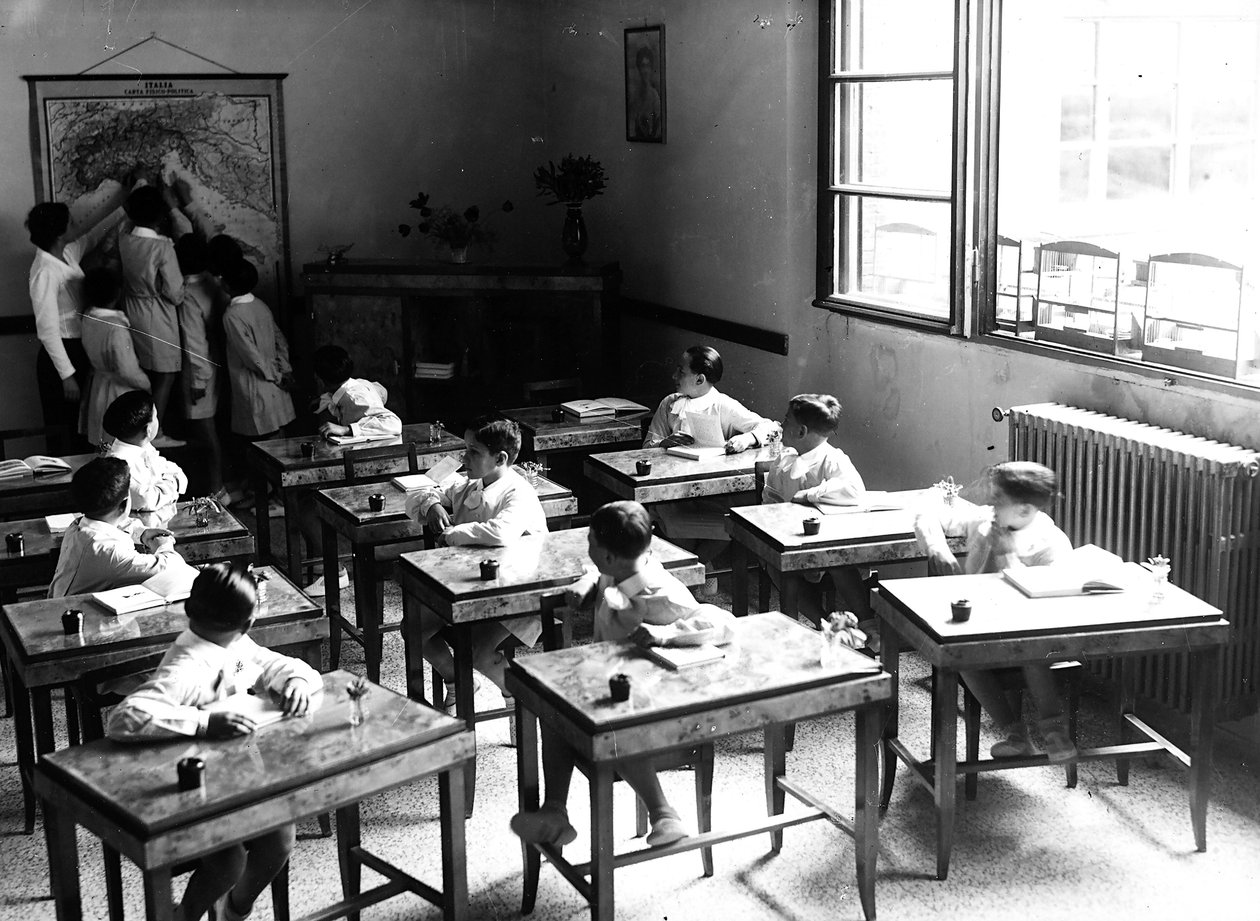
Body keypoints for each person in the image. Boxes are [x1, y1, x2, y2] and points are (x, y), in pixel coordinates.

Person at [510, 500, 735, 848]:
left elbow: (723, 625)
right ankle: (555, 811)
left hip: (662, 706)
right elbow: (601, 571)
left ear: (610, 555)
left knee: (610, 721)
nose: (587, 547)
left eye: (590, 542)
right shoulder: (628, 565)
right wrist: (588, 582)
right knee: (555, 708)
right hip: (620, 687)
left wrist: (664, 635)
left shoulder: (661, 596)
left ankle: (664, 815)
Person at [106, 563, 319, 921]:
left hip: (234, 773)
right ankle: (185, 914)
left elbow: (269, 665)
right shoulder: (184, 668)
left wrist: (295, 680)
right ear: (249, 622)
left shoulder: (235, 644)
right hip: (187, 787)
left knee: (281, 836)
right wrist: (205, 722)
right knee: (229, 858)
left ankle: (233, 909)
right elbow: (125, 718)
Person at [913, 461, 1077, 761]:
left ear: (1025, 510)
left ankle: (1053, 730)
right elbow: (927, 512)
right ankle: (1016, 734)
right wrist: (937, 547)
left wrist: (1007, 555)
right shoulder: (985, 520)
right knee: (960, 654)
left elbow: (1045, 604)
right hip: (984, 630)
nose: (990, 504)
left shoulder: (1050, 543)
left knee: (1029, 647)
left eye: (998, 500)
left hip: (1035, 637)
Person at [403, 417, 545, 703]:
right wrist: (431, 505)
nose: (464, 457)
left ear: (500, 458)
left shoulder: (518, 492)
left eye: (473, 452)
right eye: (466, 449)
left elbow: (500, 532)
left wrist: (453, 533)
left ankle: (517, 697)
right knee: (412, 628)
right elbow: (423, 492)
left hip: (519, 592)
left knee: (478, 650)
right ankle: (458, 679)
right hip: (473, 588)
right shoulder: (472, 484)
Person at [26, 177, 136, 454]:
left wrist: (127, 201)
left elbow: (96, 232)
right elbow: (47, 330)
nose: (77, 225)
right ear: (59, 232)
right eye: (71, 223)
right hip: (61, 357)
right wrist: (67, 376)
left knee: (81, 430)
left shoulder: (67, 252)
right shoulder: (44, 270)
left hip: (79, 349)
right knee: (62, 433)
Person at [644, 345, 778, 566]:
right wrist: (664, 445)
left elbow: (768, 427)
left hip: (711, 495)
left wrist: (745, 439)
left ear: (700, 379)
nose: (674, 376)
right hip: (671, 493)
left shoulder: (721, 404)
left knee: (729, 524)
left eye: (681, 371)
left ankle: (701, 565)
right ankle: (690, 572)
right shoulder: (669, 404)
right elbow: (647, 445)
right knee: (675, 524)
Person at [294, 345, 404, 595]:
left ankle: (335, 571)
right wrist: (325, 402)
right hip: (363, 468)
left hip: (373, 476)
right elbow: (380, 390)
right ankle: (327, 564)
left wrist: (348, 429)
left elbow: (393, 423)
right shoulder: (356, 385)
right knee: (306, 499)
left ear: (320, 377)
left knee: (306, 508)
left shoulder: (355, 396)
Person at [764, 394, 871, 631]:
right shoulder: (784, 459)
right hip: (790, 539)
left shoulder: (832, 459)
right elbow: (769, 497)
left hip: (826, 542)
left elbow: (853, 489)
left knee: (839, 558)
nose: (781, 425)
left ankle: (866, 623)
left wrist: (811, 494)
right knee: (778, 563)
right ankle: (823, 622)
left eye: (786, 420)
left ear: (801, 431)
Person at [222, 259, 295, 517]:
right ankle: (266, 494)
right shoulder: (260, 305)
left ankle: (281, 499)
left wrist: (274, 374)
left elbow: (250, 355)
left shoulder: (232, 314)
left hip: (256, 385)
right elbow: (279, 339)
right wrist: (284, 370)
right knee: (275, 444)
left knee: (265, 448)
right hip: (274, 385)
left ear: (226, 284)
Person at [50, 457, 180, 598]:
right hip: (77, 615)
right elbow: (168, 567)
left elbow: (116, 524)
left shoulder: (77, 525)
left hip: (62, 606)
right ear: (125, 504)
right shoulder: (112, 554)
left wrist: (142, 533)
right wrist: (164, 544)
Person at [119, 184, 185, 448]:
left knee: (144, 374)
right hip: (157, 314)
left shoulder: (125, 238)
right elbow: (175, 292)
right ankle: (153, 433)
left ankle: (142, 432)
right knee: (166, 374)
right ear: (160, 217)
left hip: (131, 309)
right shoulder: (163, 246)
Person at [174, 233, 228, 505]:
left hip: (200, 371)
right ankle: (218, 489)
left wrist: (197, 380)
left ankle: (217, 491)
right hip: (217, 363)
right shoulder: (211, 283)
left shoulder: (187, 296)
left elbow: (195, 344)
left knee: (207, 436)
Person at [79, 267, 150, 448]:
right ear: (117, 293)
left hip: (98, 385)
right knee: (122, 443)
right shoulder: (116, 327)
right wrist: (146, 384)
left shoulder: (88, 316)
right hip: (118, 389)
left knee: (103, 442)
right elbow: (127, 370)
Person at [102, 390, 188, 522]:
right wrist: (172, 483)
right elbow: (147, 499)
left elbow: (177, 472)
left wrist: (166, 485)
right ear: (148, 430)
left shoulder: (143, 446)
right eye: (156, 417)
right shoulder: (119, 464)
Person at [312, 345, 402, 439]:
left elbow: (394, 423)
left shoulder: (355, 399)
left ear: (320, 379)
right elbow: (381, 390)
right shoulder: (356, 383)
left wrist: (346, 430)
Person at [628, 43, 662, 140]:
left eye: (648, 66)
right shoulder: (634, 96)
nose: (645, 71)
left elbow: (658, 130)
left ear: (651, 69)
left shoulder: (655, 97)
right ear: (638, 68)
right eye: (643, 66)